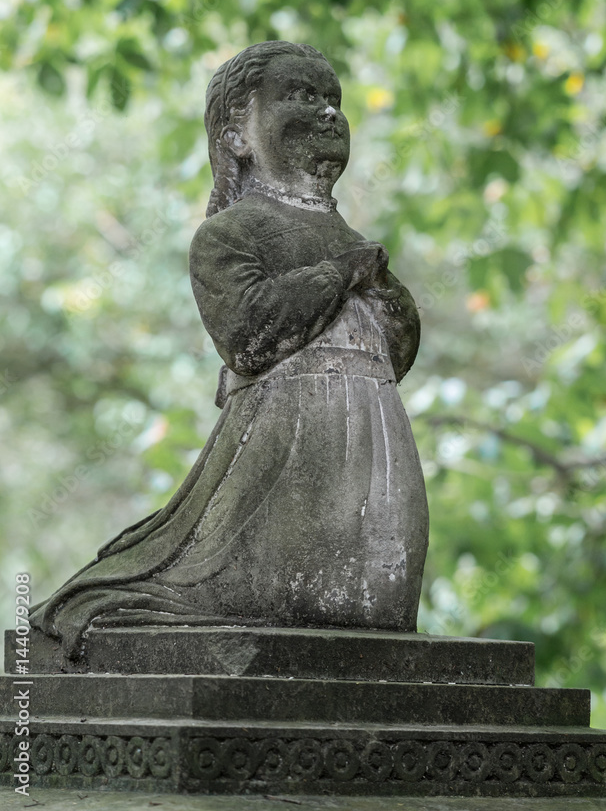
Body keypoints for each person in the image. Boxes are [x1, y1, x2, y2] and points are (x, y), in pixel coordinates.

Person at [30, 41, 429, 659]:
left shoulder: (355, 242)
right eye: (301, 96)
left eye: (334, 101)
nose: (327, 113)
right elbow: (249, 335)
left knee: (374, 607)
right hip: (281, 452)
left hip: (376, 441)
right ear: (237, 134)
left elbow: (398, 351)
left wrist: (378, 286)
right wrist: (339, 275)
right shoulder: (229, 234)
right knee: (260, 607)